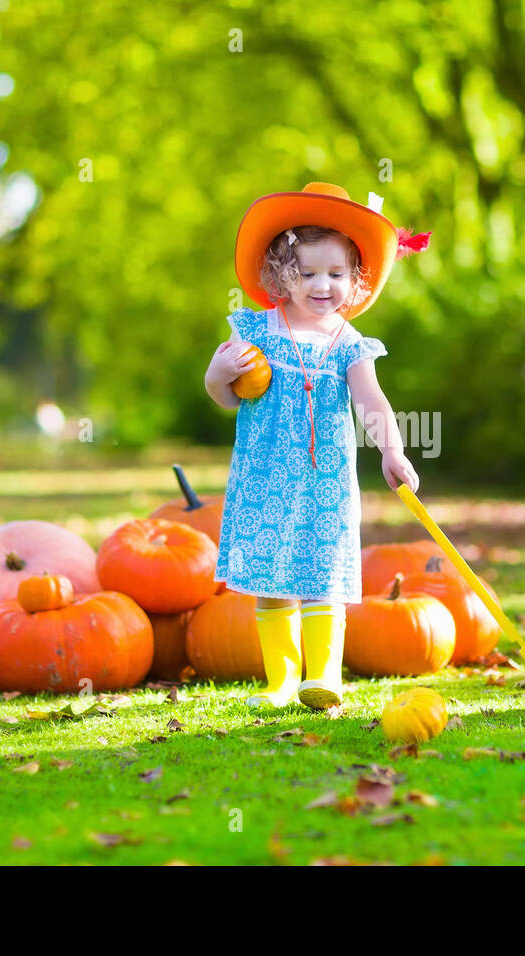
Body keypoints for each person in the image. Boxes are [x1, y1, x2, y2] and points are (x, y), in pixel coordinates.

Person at [204, 182, 430, 710]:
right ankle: (280, 681)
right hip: (264, 477)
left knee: (323, 572)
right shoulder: (254, 331)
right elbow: (227, 399)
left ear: (354, 279)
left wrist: (391, 449)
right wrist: (217, 376)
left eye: (335, 274)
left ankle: (323, 676)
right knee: (273, 577)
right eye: (306, 273)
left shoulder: (349, 342)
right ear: (283, 274)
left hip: (324, 479)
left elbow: (371, 399)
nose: (321, 285)